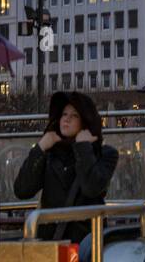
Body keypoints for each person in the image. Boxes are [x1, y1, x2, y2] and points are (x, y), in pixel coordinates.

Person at [13, 90, 118, 240]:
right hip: (51, 244)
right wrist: (40, 147)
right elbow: (22, 190)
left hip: (86, 245)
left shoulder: (105, 154)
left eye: (74, 115)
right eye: (64, 114)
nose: (66, 119)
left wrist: (83, 147)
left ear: (85, 121)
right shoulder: (50, 153)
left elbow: (91, 187)